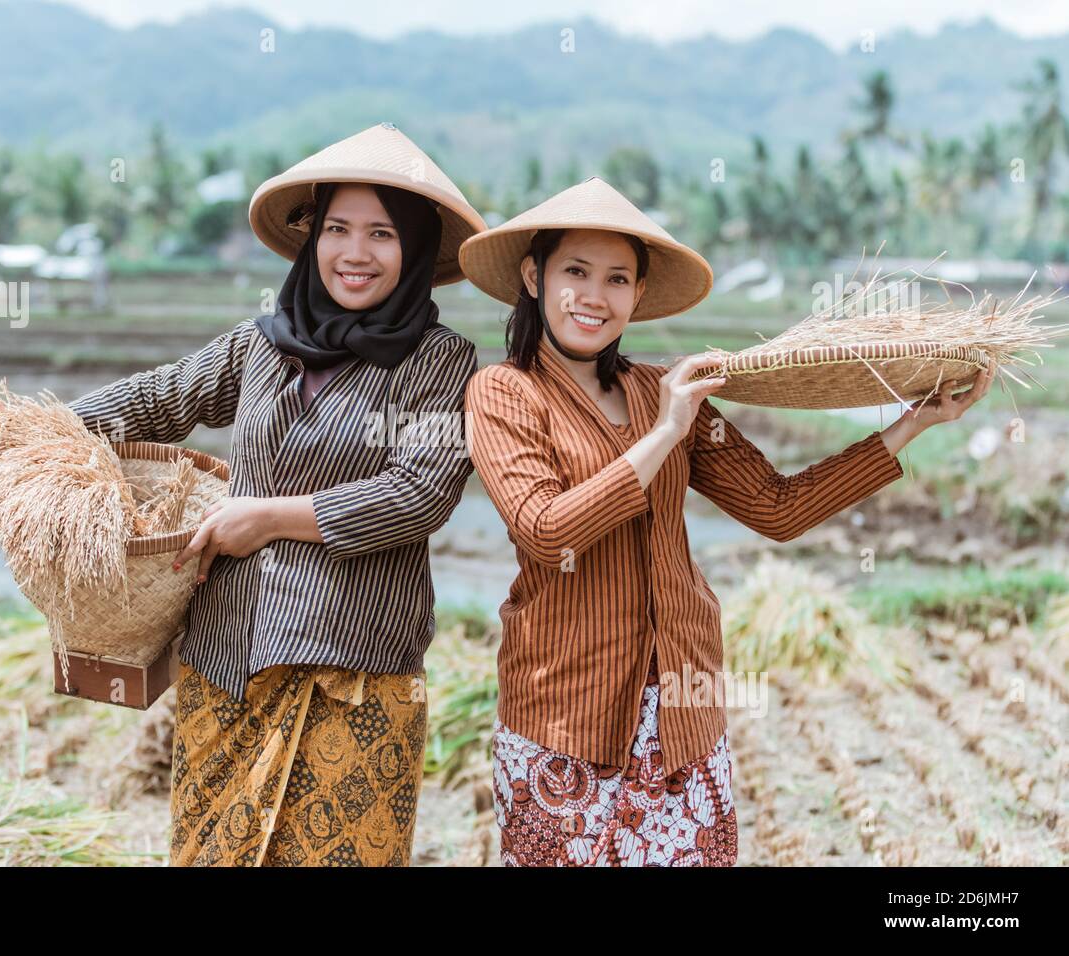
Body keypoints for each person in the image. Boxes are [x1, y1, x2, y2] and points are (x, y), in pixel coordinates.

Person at [458, 177, 995, 867]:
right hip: (566, 717)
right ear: (534, 277)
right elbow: (546, 530)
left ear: (638, 295)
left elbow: (778, 508)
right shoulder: (505, 392)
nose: (595, 296)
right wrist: (665, 432)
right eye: (575, 272)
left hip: (684, 715)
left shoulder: (663, 389)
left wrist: (907, 428)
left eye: (617, 278)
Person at [66, 124, 487, 866]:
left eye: (382, 234)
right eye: (338, 229)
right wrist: (48, 430)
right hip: (226, 660)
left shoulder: (440, 361)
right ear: (311, 238)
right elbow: (163, 397)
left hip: (354, 671)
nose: (355, 253)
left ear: (414, 248)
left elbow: (420, 492)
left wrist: (266, 520)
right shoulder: (259, 346)